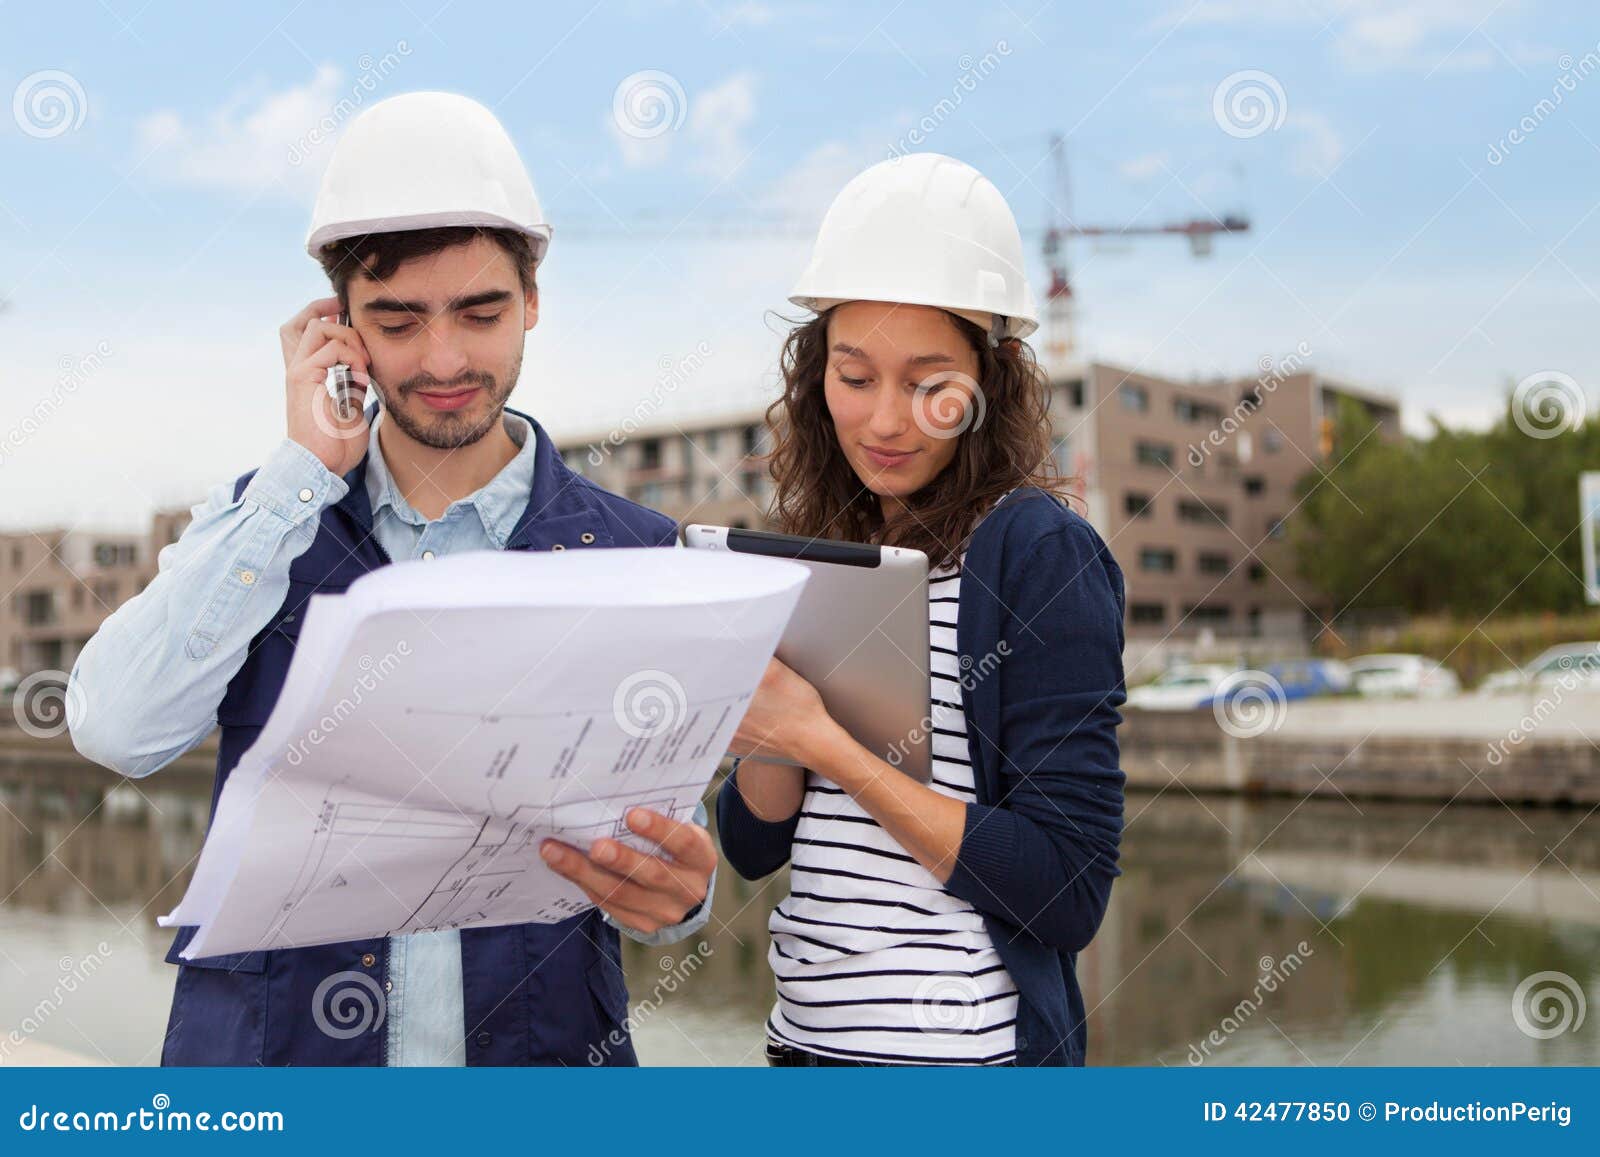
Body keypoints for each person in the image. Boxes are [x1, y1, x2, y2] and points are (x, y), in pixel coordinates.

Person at [68, 91, 716, 1067]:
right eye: (399, 321)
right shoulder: (260, 523)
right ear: (336, 324)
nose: (445, 358)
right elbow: (115, 731)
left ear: (533, 299)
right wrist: (300, 474)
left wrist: (678, 898)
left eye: (480, 311)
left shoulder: (640, 551)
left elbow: (667, 859)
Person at [717, 153, 1128, 1067]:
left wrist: (829, 744)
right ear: (815, 377)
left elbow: (1067, 889)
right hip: (803, 1052)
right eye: (855, 378)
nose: (887, 421)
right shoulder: (817, 551)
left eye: (926, 381)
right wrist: (774, 729)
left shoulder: (1038, 553)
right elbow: (751, 845)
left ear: (992, 377)